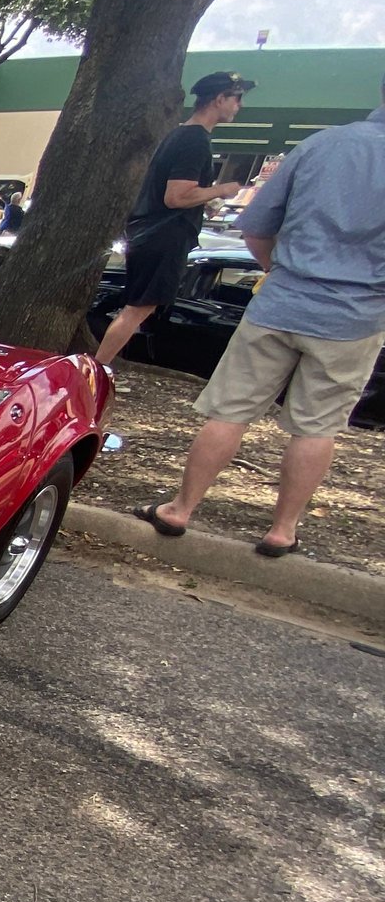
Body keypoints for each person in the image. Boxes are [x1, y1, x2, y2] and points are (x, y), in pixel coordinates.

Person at [133, 76, 385, 557]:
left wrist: (281, 272)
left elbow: (256, 228)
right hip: (355, 318)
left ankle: (180, 509)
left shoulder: (320, 145)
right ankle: (282, 530)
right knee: (317, 427)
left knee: (229, 412)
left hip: (281, 301)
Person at [94, 70, 252, 369]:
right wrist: (225, 189)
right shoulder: (195, 141)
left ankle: (101, 367)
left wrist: (205, 201)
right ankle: (97, 370)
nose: (239, 106)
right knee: (136, 310)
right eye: (237, 98)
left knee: (138, 308)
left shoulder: (181, 135)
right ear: (220, 99)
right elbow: (176, 197)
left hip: (153, 233)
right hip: (163, 237)